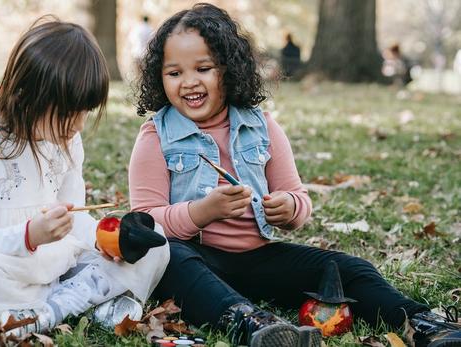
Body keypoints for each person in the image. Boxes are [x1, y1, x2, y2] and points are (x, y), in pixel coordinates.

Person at [129, 3, 460, 347]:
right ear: (159, 76)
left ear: (228, 69)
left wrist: (288, 207)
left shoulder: (262, 127)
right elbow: (146, 225)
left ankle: (423, 324)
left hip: (260, 259)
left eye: (203, 68)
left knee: (350, 268)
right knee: (171, 258)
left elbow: (297, 198)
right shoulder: (156, 136)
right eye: (175, 73)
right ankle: (252, 324)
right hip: (199, 265)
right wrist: (203, 212)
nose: (189, 82)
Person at [0, 18, 169, 337]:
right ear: (29, 96)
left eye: (84, 112)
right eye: (70, 113)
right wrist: (28, 236)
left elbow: (73, 221)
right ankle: (78, 301)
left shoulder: (67, 142)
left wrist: (107, 237)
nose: (79, 125)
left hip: (52, 262)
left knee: (158, 243)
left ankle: (46, 311)